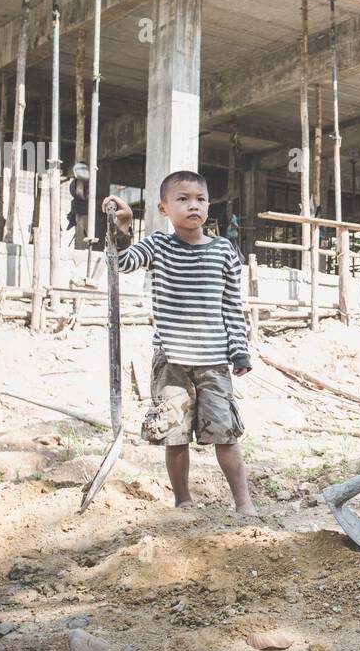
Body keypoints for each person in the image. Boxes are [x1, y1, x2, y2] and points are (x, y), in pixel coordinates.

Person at [101, 171, 257, 514]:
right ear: (163, 208)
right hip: (171, 361)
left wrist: (239, 349)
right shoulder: (158, 246)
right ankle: (183, 499)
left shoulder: (223, 251)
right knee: (175, 435)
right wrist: (122, 226)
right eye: (182, 199)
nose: (193, 206)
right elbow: (121, 262)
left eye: (200, 199)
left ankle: (243, 503)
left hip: (214, 361)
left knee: (226, 433)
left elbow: (231, 305)